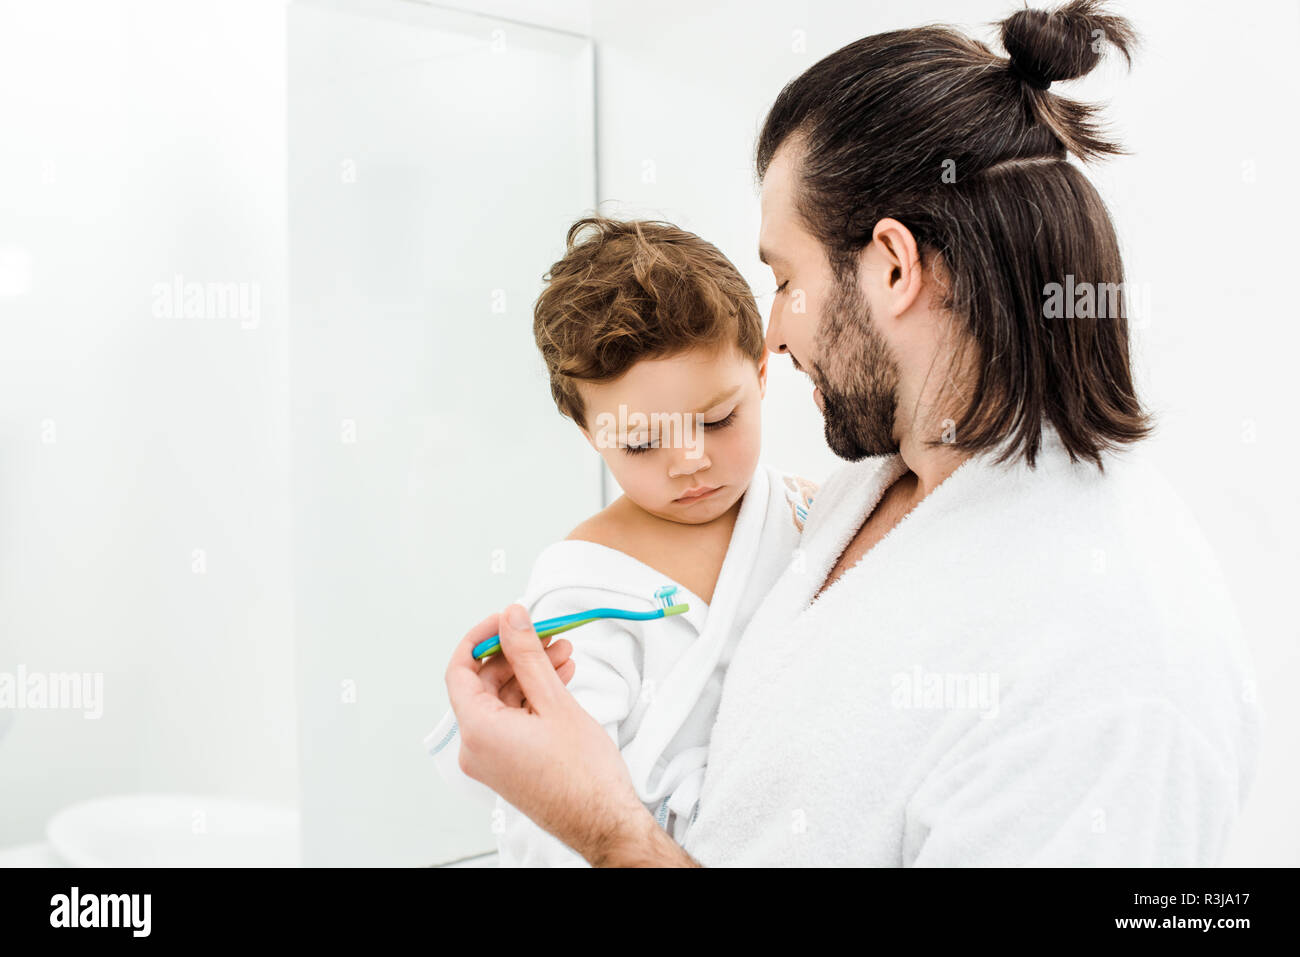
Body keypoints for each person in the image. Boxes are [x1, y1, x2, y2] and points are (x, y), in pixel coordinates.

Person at [444, 0, 1261, 866]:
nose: (777, 335)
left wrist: (608, 830)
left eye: (787, 279)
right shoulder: (864, 496)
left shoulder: (1113, 665)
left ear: (895, 267)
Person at [425, 217, 817, 864]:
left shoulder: (808, 513)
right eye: (641, 441)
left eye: (718, 419)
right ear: (589, 433)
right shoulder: (585, 588)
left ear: (761, 376)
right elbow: (551, 792)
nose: (690, 458)